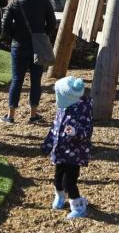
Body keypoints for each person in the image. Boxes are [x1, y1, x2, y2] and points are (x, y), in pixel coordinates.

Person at [1, 0, 58, 124]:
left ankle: (11, 115)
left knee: (17, 80)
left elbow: (4, 27)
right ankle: (33, 114)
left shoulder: (15, 3)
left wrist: (15, 35)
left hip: (19, 45)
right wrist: (41, 33)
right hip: (37, 46)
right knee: (36, 80)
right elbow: (52, 24)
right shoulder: (44, 2)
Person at [41, 75, 94, 219]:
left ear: (67, 96)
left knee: (69, 182)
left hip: (74, 154)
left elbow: (87, 132)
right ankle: (60, 196)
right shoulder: (63, 108)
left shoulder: (82, 111)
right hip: (60, 151)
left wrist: (76, 131)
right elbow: (55, 127)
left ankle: (78, 206)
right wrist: (48, 143)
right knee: (58, 179)